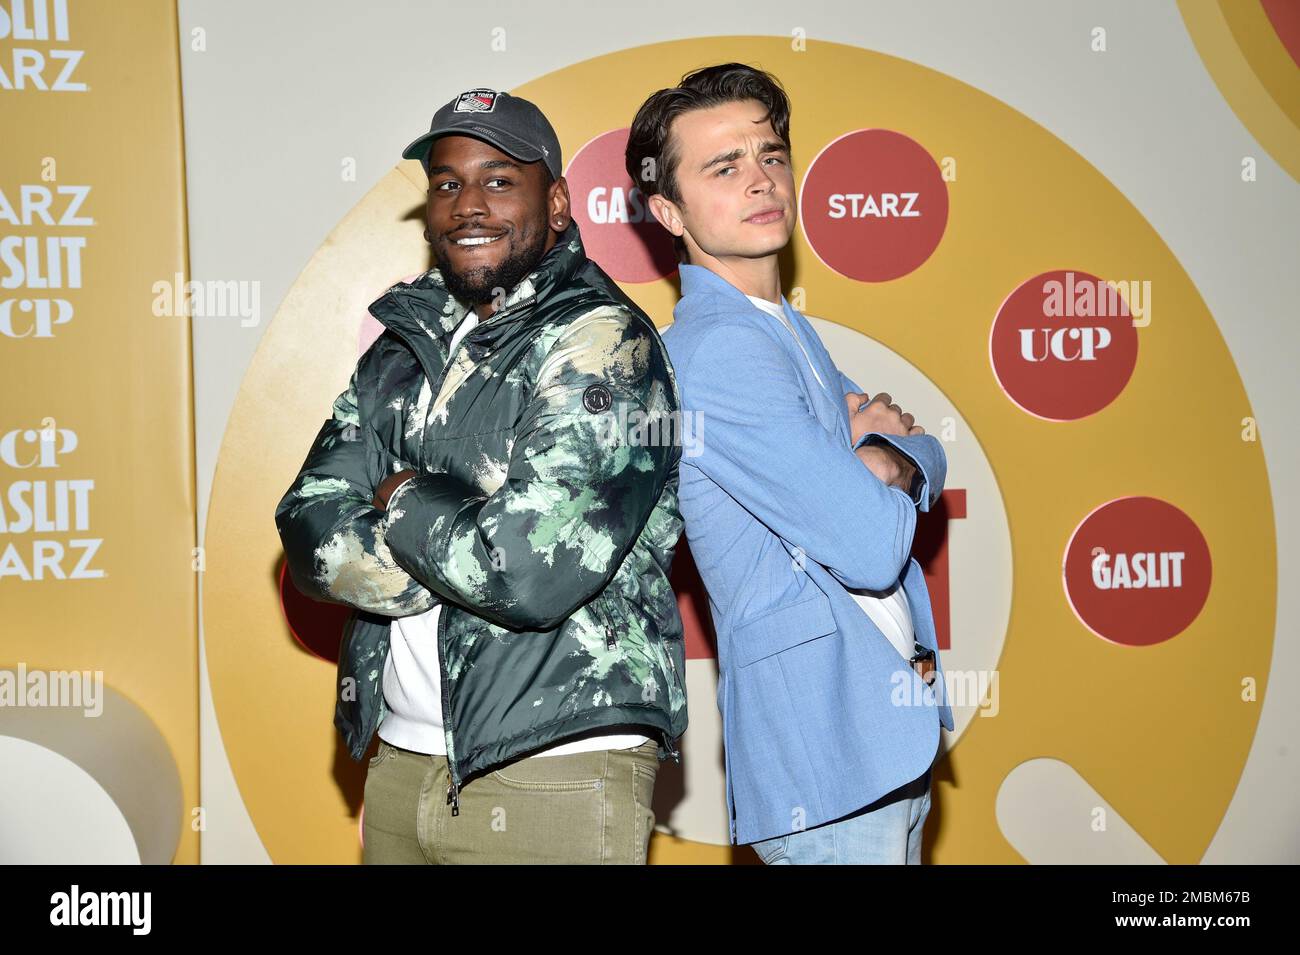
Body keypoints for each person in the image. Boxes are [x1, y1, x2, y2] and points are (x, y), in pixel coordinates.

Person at [275, 88, 687, 864]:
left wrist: (398, 497)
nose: (469, 204)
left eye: (500, 180)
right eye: (447, 183)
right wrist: (449, 550)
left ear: (557, 201)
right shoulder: (400, 349)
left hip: (553, 765)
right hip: (401, 760)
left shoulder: (602, 342)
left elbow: (525, 571)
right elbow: (307, 530)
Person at [626, 64, 952, 863]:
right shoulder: (717, 350)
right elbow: (872, 543)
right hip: (828, 758)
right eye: (724, 167)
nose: (761, 180)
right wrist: (870, 458)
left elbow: (926, 446)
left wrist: (880, 458)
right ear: (668, 210)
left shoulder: (780, 328)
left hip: (874, 747)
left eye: (770, 155)